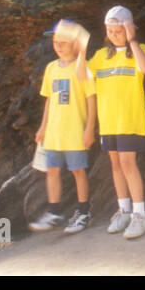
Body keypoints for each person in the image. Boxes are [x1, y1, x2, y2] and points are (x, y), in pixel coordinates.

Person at [77, 5, 145, 239]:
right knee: (116, 165)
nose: (114, 34)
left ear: (129, 28)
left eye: (119, 30)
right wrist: (80, 50)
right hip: (108, 123)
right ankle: (123, 210)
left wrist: (131, 40)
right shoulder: (101, 56)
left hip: (130, 121)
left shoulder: (140, 50)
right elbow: (82, 76)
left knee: (128, 163)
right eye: (110, 30)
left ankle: (140, 215)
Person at [30, 19, 96, 234]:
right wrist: (42, 127)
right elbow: (49, 100)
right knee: (52, 171)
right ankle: (55, 212)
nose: (58, 46)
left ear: (74, 44)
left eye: (64, 42)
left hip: (76, 131)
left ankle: (84, 212)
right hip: (54, 133)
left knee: (78, 170)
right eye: (56, 42)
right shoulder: (51, 68)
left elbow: (91, 99)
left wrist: (89, 129)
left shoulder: (82, 68)